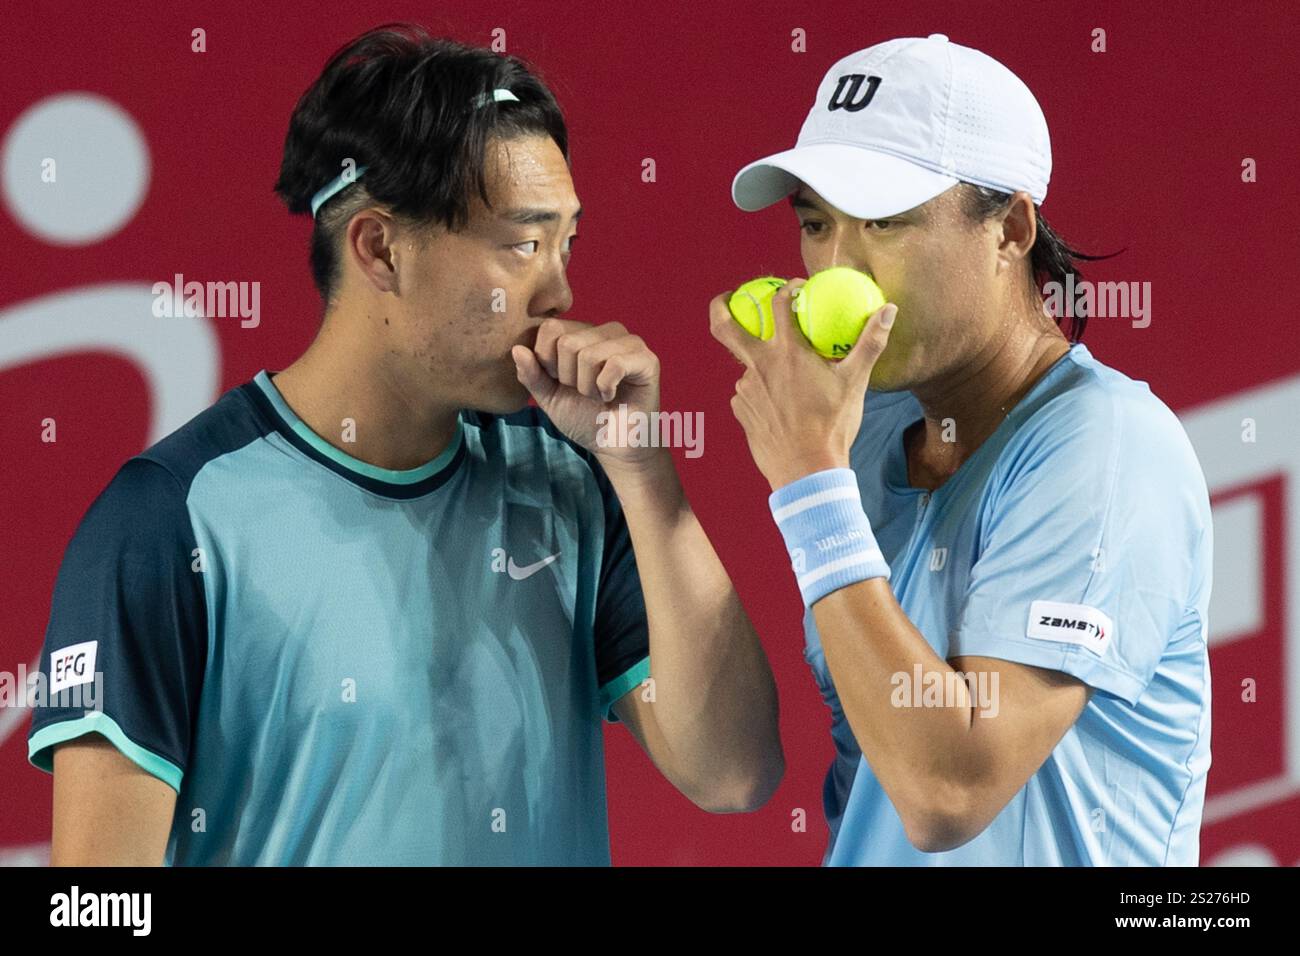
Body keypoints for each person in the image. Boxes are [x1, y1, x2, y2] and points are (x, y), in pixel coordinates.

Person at [28, 23, 783, 865]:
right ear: (381, 249)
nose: (562, 288)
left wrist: (645, 475)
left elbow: (736, 773)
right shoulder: (168, 520)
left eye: (567, 243)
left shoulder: (573, 477)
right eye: (523, 245)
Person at [710, 34, 1211, 865]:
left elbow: (948, 792)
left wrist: (809, 481)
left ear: (1011, 229)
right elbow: (840, 783)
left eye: (883, 223)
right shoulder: (860, 434)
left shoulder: (1109, 446)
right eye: (814, 223)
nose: (837, 272)